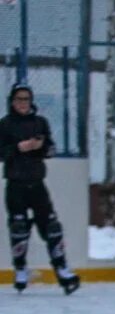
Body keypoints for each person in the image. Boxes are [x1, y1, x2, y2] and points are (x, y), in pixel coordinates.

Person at [1, 83, 80, 294]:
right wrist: (17, 148)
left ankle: (62, 269)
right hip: (15, 184)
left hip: (37, 184)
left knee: (52, 227)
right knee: (18, 228)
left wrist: (41, 147)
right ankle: (20, 269)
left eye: (26, 99)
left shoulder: (40, 122)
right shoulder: (5, 124)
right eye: (19, 99)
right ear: (12, 101)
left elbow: (50, 149)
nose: (23, 103)